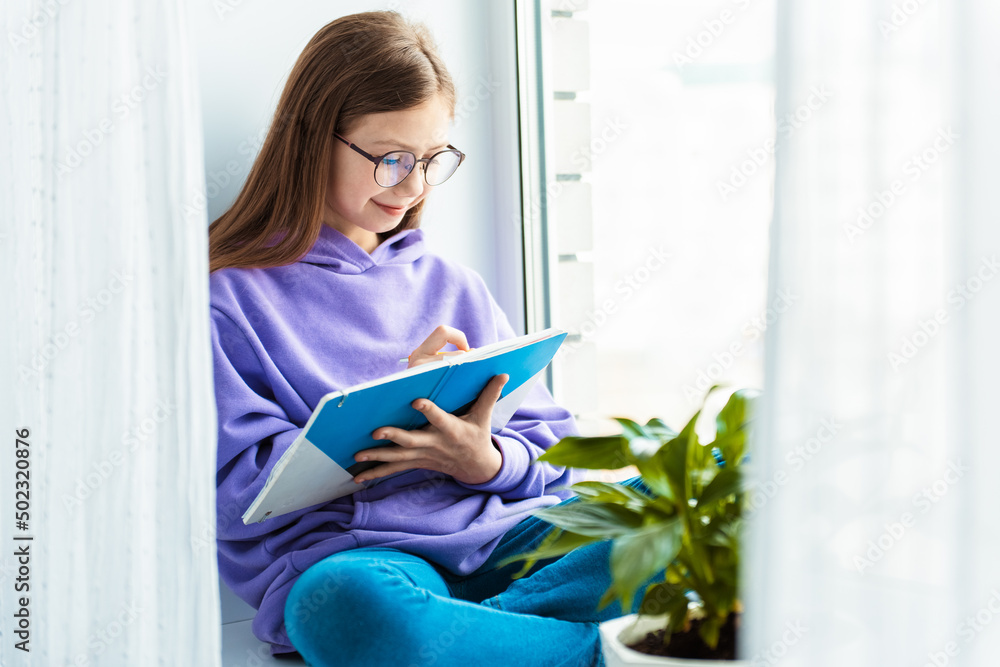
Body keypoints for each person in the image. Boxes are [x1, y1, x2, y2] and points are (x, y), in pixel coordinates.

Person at [209, 11, 646, 667]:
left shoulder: (451, 283)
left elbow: (558, 455)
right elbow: (239, 496)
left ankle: (482, 640)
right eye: (390, 159)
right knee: (338, 609)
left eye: (431, 160)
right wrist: (390, 410)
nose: (412, 186)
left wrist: (487, 463)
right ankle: (599, 652)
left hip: (512, 540)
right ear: (312, 139)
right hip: (373, 567)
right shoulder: (232, 297)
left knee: (730, 488)